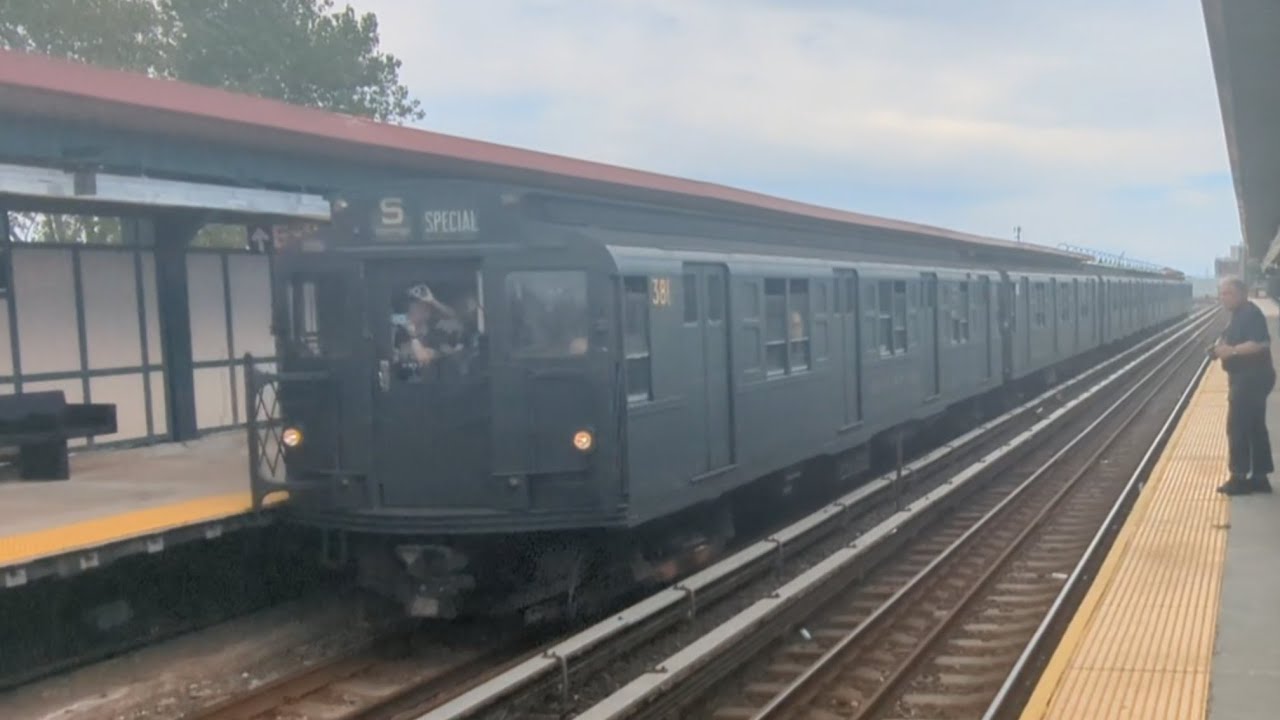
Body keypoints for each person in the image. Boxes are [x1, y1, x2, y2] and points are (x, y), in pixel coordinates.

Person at [1214, 276, 1276, 494]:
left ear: (1242, 293)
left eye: (1228, 293)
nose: (1224, 298)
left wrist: (1230, 351)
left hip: (1251, 378)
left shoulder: (1251, 314)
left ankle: (1239, 477)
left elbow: (1260, 344)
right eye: (1222, 293)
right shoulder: (1239, 314)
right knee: (1255, 427)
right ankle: (1260, 477)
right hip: (1249, 377)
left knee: (1237, 427)